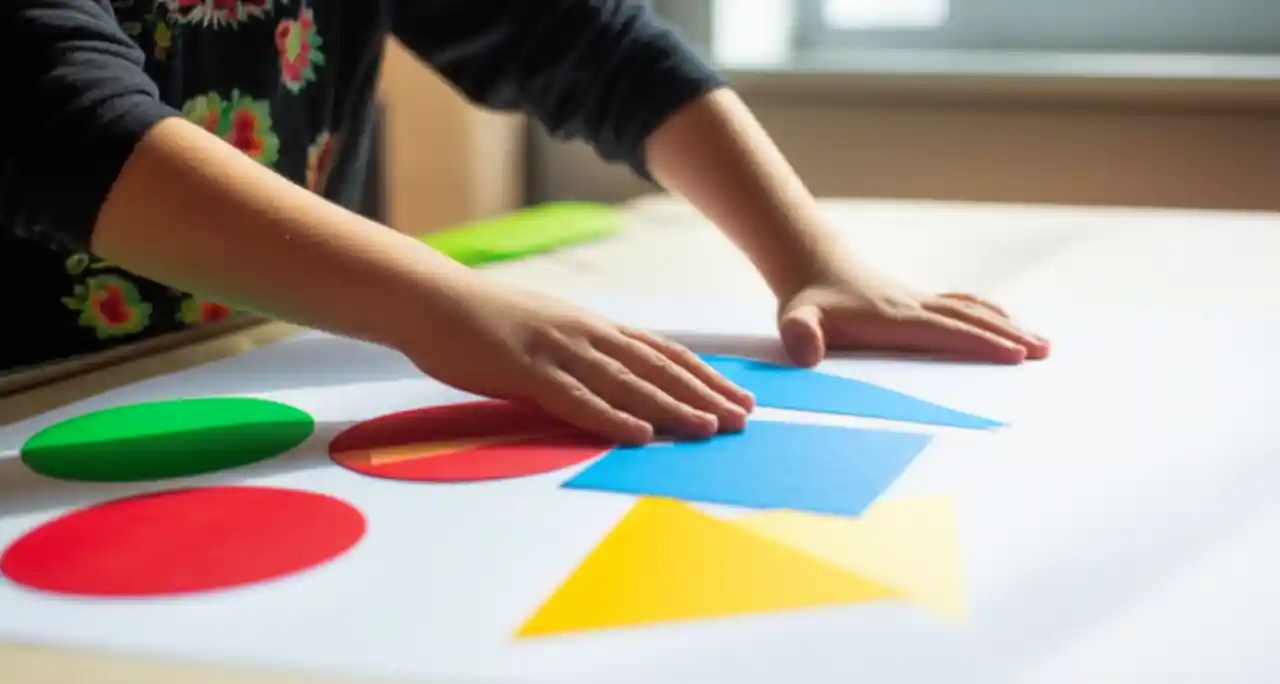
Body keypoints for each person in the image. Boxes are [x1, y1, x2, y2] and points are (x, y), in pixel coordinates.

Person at [2, 0, 1048, 445]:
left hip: (240, 364)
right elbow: (59, 121)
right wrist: (439, 304)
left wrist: (812, 260)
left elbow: (593, 45)